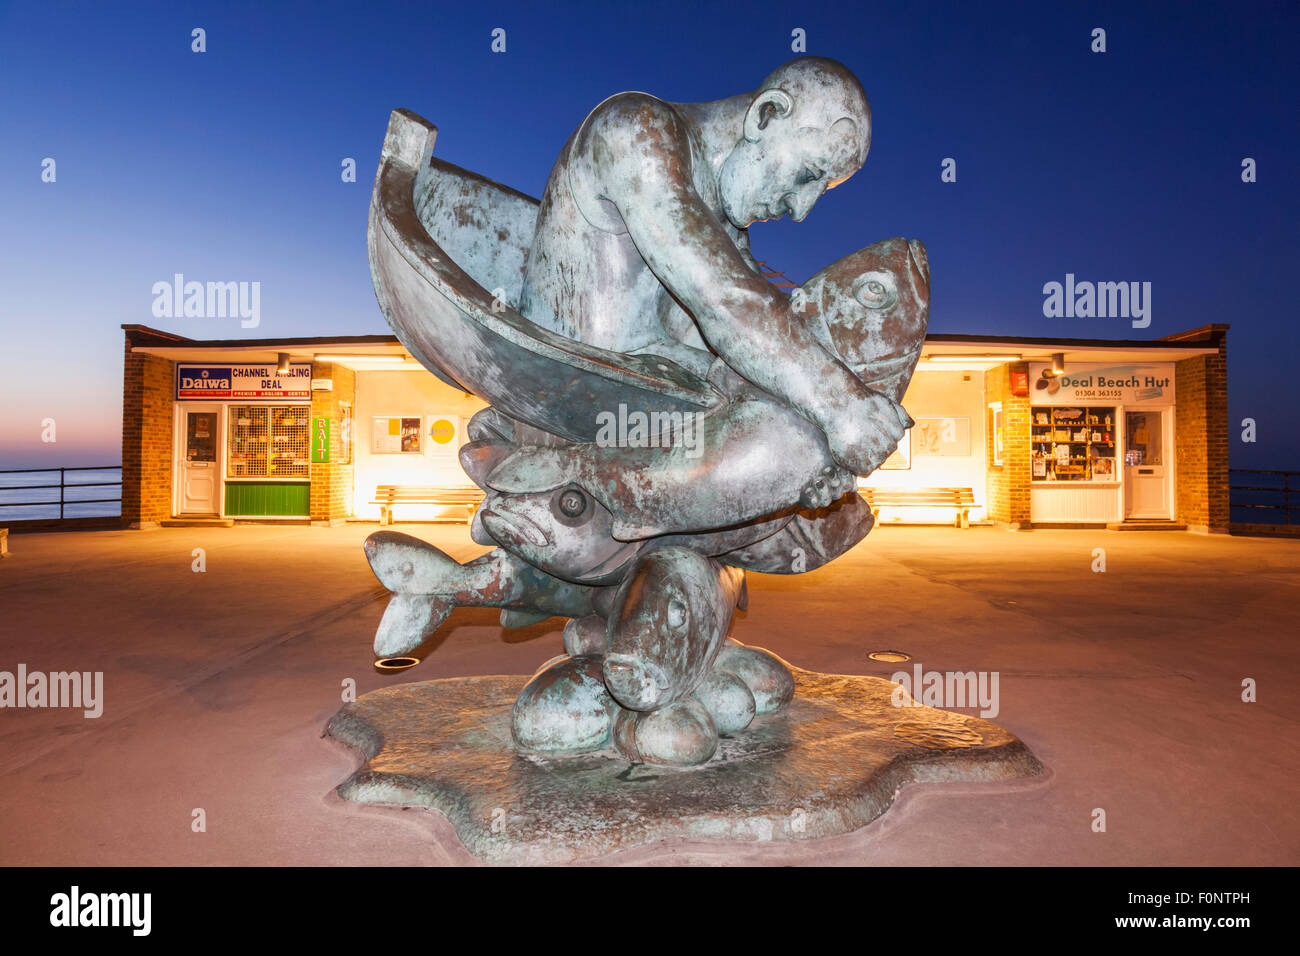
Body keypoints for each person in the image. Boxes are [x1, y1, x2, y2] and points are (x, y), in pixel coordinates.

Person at [518, 56, 911, 478]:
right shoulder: (635, 130)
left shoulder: (727, 226)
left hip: (646, 399)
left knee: (791, 423)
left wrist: (811, 453)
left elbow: (750, 343)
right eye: (807, 175)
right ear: (766, 115)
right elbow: (725, 302)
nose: (801, 209)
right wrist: (842, 406)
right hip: (575, 395)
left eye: (822, 190)